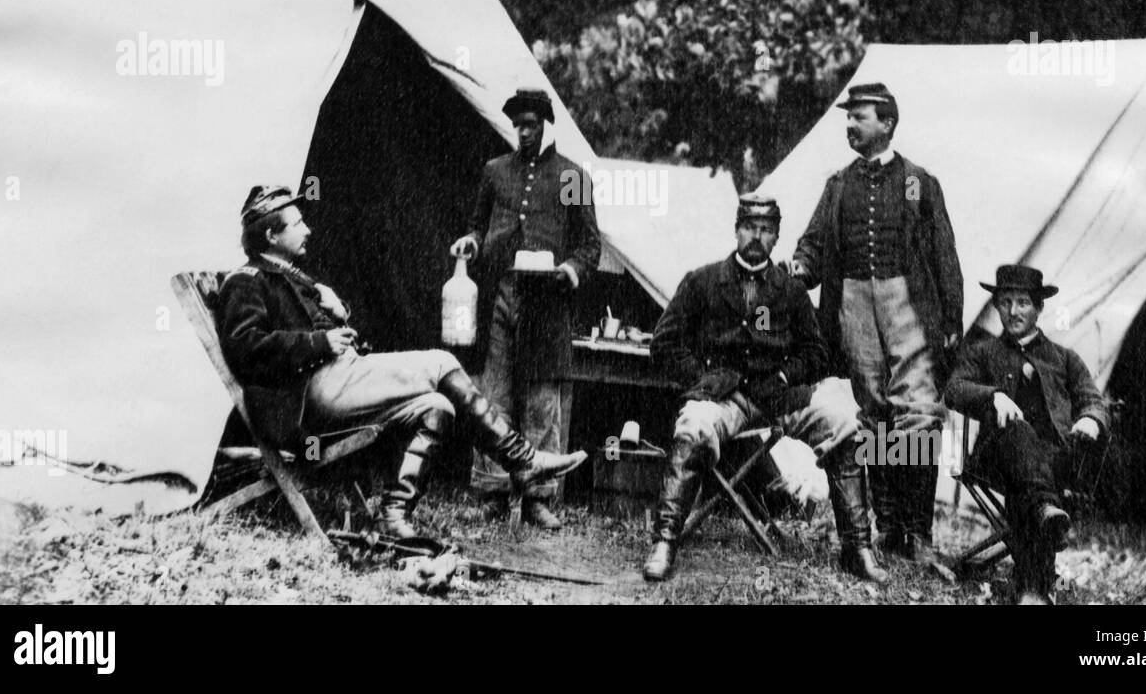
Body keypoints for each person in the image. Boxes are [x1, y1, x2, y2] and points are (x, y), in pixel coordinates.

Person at [217, 185, 588, 539]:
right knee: (441, 361)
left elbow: (313, 330)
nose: (308, 229)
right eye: (298, 223)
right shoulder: (246, 282)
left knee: (437, 406)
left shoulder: (290, 277)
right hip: (308, 401)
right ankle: (522, 460)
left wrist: (339, 312)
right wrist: (321, 340)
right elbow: (247, 349)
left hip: (337, 382)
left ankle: (393, 514)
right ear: (270, 236)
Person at [643, 194, 886, 582]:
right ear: (736, 230)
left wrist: (787, 377)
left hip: (780, 396)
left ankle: (857, 548)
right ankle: (666, 539)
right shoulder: (702, 281)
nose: (757, 237)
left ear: (777, 237)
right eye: (750, 228)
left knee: (842, 422)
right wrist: (703, 378)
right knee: (693, 427)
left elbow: (817, 353)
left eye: (766, 230)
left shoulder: (790, 291)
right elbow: (664, 344)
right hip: (724, 399)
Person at [786, 82, 963, 566]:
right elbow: (814, 244)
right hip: (853, 304)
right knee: (876, 413)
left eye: (858, 117)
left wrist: (951, 319)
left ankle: (919, 534)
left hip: (908, 302)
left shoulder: (918, 181)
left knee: (920, 413)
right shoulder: (837, 184)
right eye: (847, 117)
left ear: (887, 123)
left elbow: (944, 254)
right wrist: (801, 268)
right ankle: (889, 528)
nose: (849, 124)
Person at [449, 87, 602, 529]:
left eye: (532, 124)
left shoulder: (571, 178)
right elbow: (478, 227)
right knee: (492, 395)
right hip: (503, 295)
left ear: (549, 127)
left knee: (541, 402)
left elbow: (589, 245)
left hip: (549, 301)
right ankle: (494, 492)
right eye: (519, 124)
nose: (524, 132)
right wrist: (471, 242)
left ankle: (537, 499)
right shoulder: (495, 171)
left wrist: (570, 270)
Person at [945, 264, 1109, 604]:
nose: (1013, 311)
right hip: (997, 454)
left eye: (1022, 302)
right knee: (1018, 434)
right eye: (1005, 303)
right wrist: (992, 396)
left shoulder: (1064, 358)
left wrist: (1092, 419)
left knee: (1028, 486)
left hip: (1054, 458)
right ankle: (1036, 577)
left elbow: (1093, 399)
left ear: (1039, 307)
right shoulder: (982, 351)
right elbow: (955, 389)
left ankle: (1032, 582)